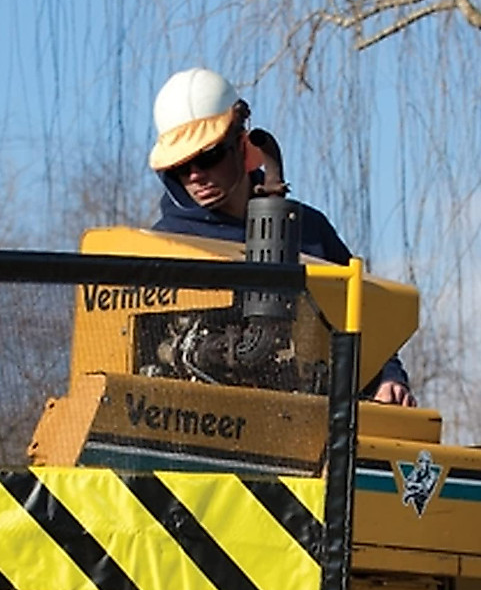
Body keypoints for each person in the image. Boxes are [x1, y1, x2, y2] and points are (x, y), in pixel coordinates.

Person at [148, 67, 415, 406]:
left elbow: (362, 315)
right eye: (180, 167)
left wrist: (387, 376)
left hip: (307, 420)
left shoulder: (307, 231)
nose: (196, 175)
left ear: (241, 144)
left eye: (208, 156)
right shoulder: (161, 248)